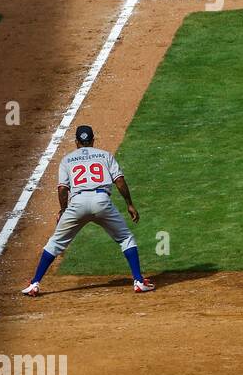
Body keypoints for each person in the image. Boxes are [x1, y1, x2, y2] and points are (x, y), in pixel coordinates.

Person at [21, 125, 156, 297]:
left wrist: (63, 210)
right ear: (93, 140)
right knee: (125, 238)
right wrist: (129, 204)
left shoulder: (67, 160)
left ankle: (34, 284)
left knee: (55, 243)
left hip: (77, 203)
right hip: (102, 201)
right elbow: (119, 181)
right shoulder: (105, 155)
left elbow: (63, 189)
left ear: (77, 142)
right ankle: (138, 281)